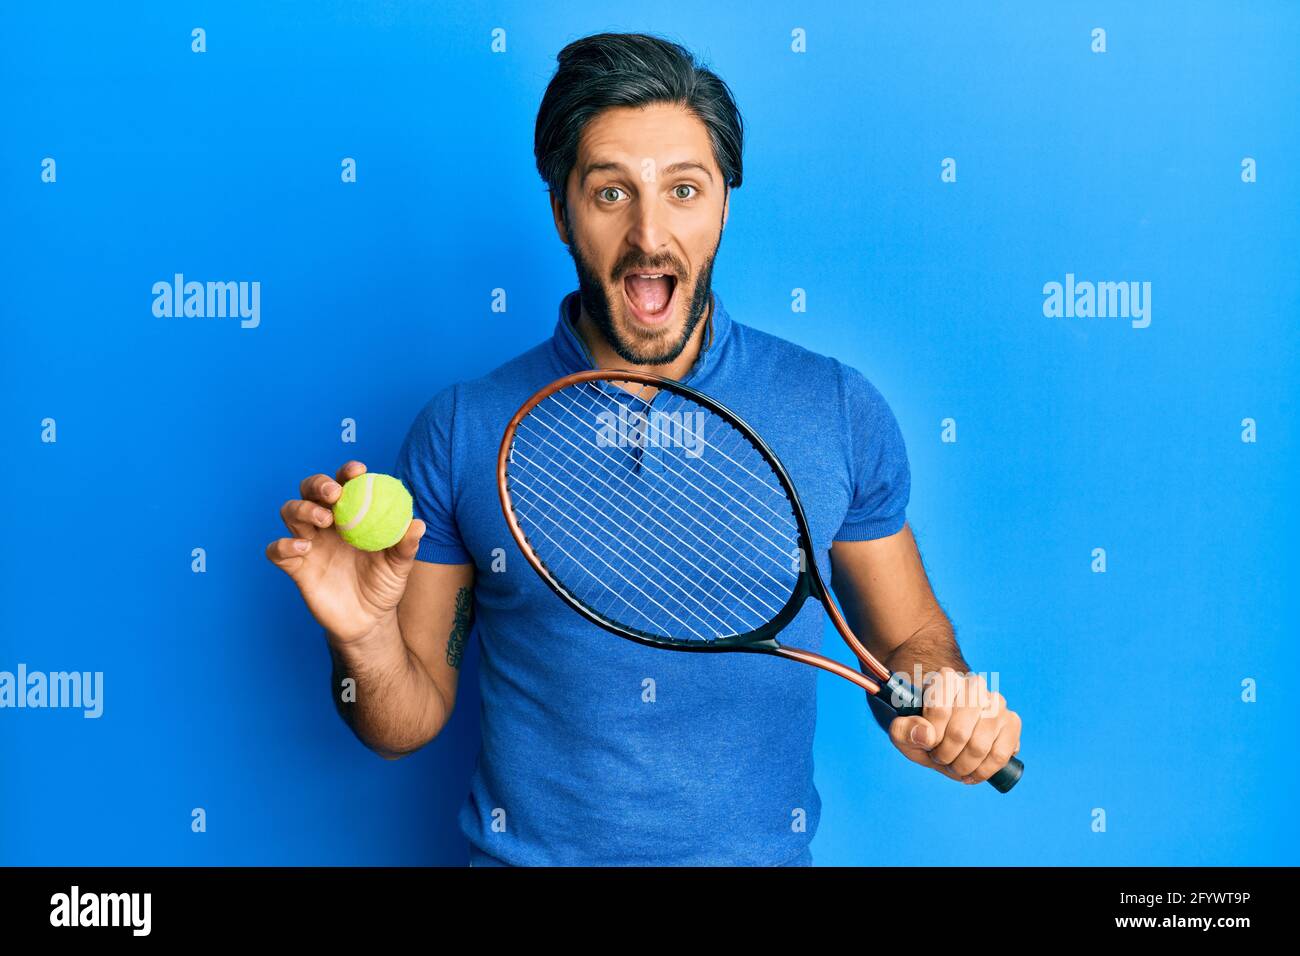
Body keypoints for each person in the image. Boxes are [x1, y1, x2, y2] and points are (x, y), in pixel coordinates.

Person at [266, 32, 1021, 866]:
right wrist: (363, 641)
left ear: (725, 205)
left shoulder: (834, 409)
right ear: (560, 210)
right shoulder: (464, 427)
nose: (650, 234)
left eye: (685, 190)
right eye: (611, 192)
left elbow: (909, 635)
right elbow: (405, 724)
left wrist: (945, 699)